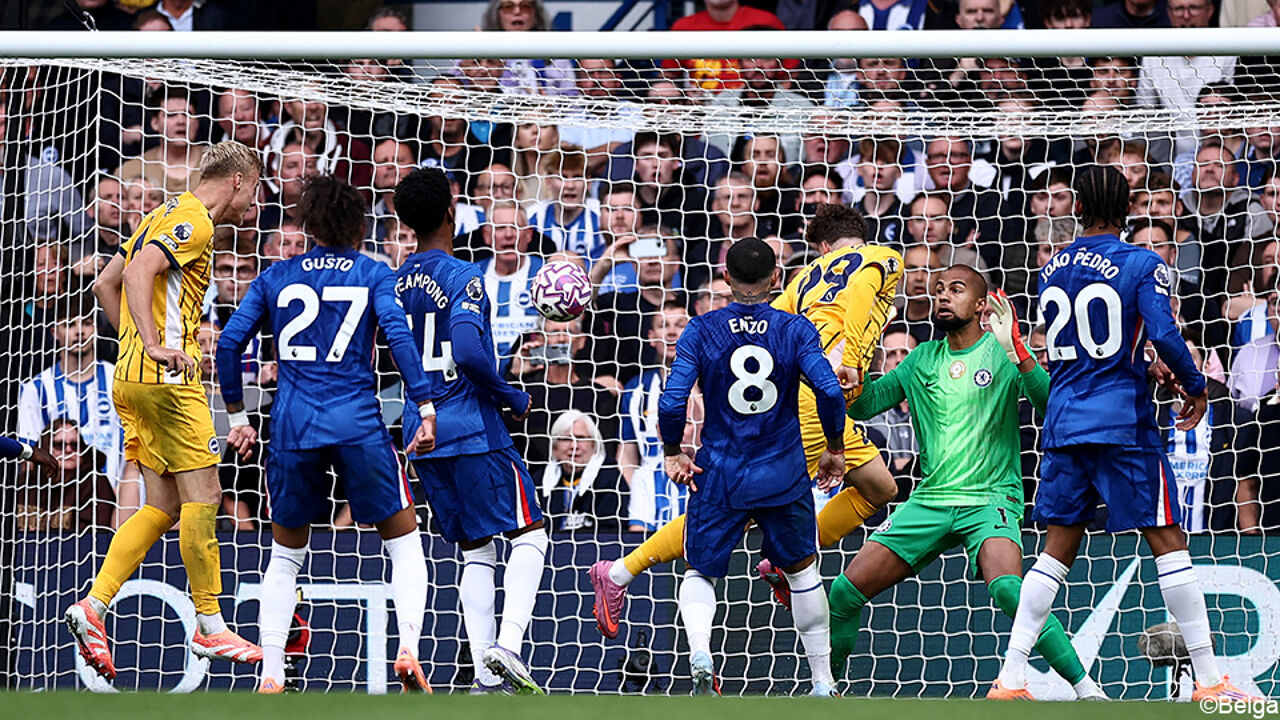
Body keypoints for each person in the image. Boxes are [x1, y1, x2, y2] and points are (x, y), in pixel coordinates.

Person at [989, 165, 1256, 701]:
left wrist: (1143, 363)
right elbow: (1163, 331)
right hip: (1122, 425)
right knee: (1169, 543)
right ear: (1130, 208)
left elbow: (1088, 344)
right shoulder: (1142, 262)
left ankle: (1011, 678)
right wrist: (1195, 384)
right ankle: (1209, 680)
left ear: (1077, 208)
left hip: (1064, 422)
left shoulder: (1052, 268)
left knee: (1054, 552)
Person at [588, 204, 901, 633]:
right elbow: (862, 291)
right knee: (740, 509)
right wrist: (851, 356)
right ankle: (621, 571)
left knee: (880, 488)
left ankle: (786, 559)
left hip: (820, 401)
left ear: (824, 247)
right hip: (812, 404)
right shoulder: (883, 257)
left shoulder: (806, 277)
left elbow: (772, 321)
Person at [829, 269, 1105, 699]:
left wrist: (1018, 351)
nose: (942, 296)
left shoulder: (1001, 352)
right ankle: (826, 689)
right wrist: (854, 369)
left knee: (1011, 590)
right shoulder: (921, 358)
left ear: (981, 305)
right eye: (938, 290)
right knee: (844, 593)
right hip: (930, 500)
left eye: (956, 290)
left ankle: (1087, 690)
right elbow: (865, 406)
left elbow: (1050, 407)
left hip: (990, 499)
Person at [215, 175, 435, 694]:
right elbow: (399, 338)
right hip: (357, 422)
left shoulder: (275, 276)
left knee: (285, 556)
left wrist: (238, 417)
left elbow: (227, 345)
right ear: (358, 225)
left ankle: (271, 671)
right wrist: (425, 405)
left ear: (309, 224)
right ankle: (407, 647)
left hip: (293, 425)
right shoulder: (374, 273)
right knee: (404, 544)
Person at [65, 140, 263, 682]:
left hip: (130, 379)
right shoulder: (194, 221)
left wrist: (135, 343)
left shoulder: (160, 213)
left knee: (163, 503)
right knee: (207, 495)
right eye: (254, 189)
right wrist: (154, 344)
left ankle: (94, 605)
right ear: (238, 180)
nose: (253, 203)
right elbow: (136, 276)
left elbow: (105, 281)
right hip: (168, 382)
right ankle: (210, 623)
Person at [658, 237, 846, 696]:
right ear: (776, 278)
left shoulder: (702, 329)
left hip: (720, 472)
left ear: (726, 278)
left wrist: (673, 450)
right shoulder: (795, 329)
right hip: (783, 472)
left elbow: (672, 401)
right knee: (802, 572)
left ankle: (701, 654)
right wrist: (835, 448)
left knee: (700, 571)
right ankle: (822, 681)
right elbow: (829, 390)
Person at [392, 167, 548, 695]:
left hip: (422, 432)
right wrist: (510, 395)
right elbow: (466, 348)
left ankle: (485, 674)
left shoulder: (393, 282)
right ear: (451, 214)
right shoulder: (465, 277)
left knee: (476, 549)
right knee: (530, 532)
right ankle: (508, 647)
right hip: (473, 427)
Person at [17, 295, 139, 526]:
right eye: (70, 324)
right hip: (56, 507)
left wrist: (124, 502)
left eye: (86, 323)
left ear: (96, 329)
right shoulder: (36, 388)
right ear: (55, 332)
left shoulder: (119, 380)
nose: (80, 331)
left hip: (118, 499)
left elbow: (135, 450)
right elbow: (29, 459)